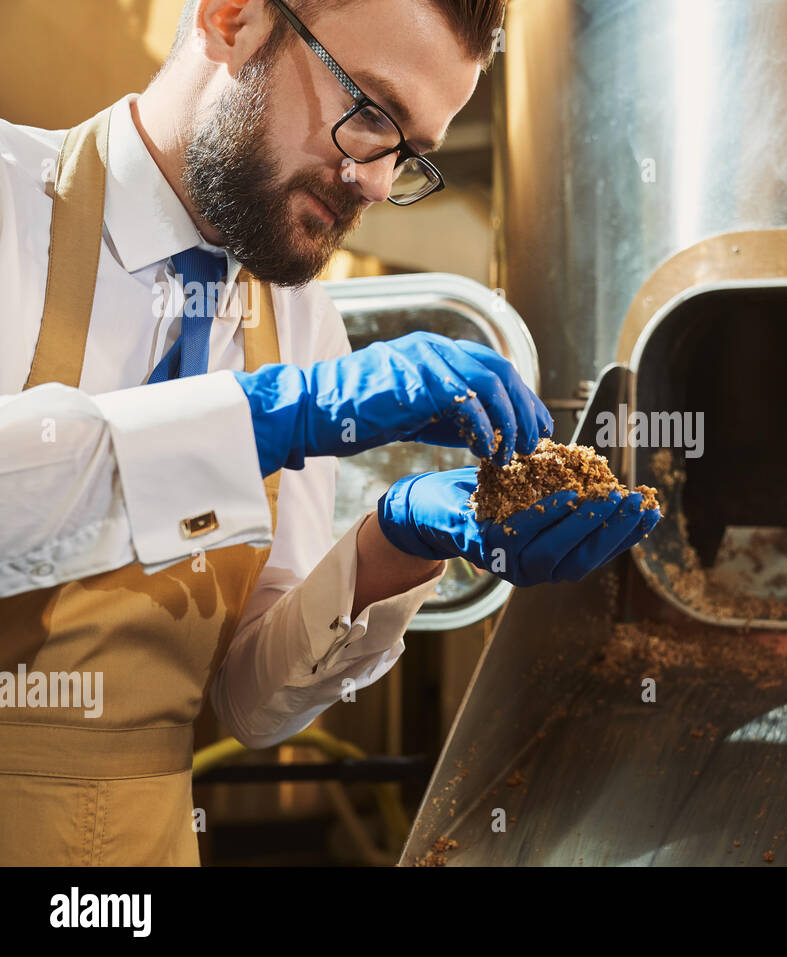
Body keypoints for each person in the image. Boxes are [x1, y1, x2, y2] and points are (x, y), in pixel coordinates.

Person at [0, 0, 659, 865]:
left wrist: (399, 540)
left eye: (409, 151)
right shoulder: (13, 201)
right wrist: (279, 415)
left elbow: (247, 698)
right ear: (231, 19)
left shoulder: (300, 322)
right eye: (372, 113)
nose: (379, 182)